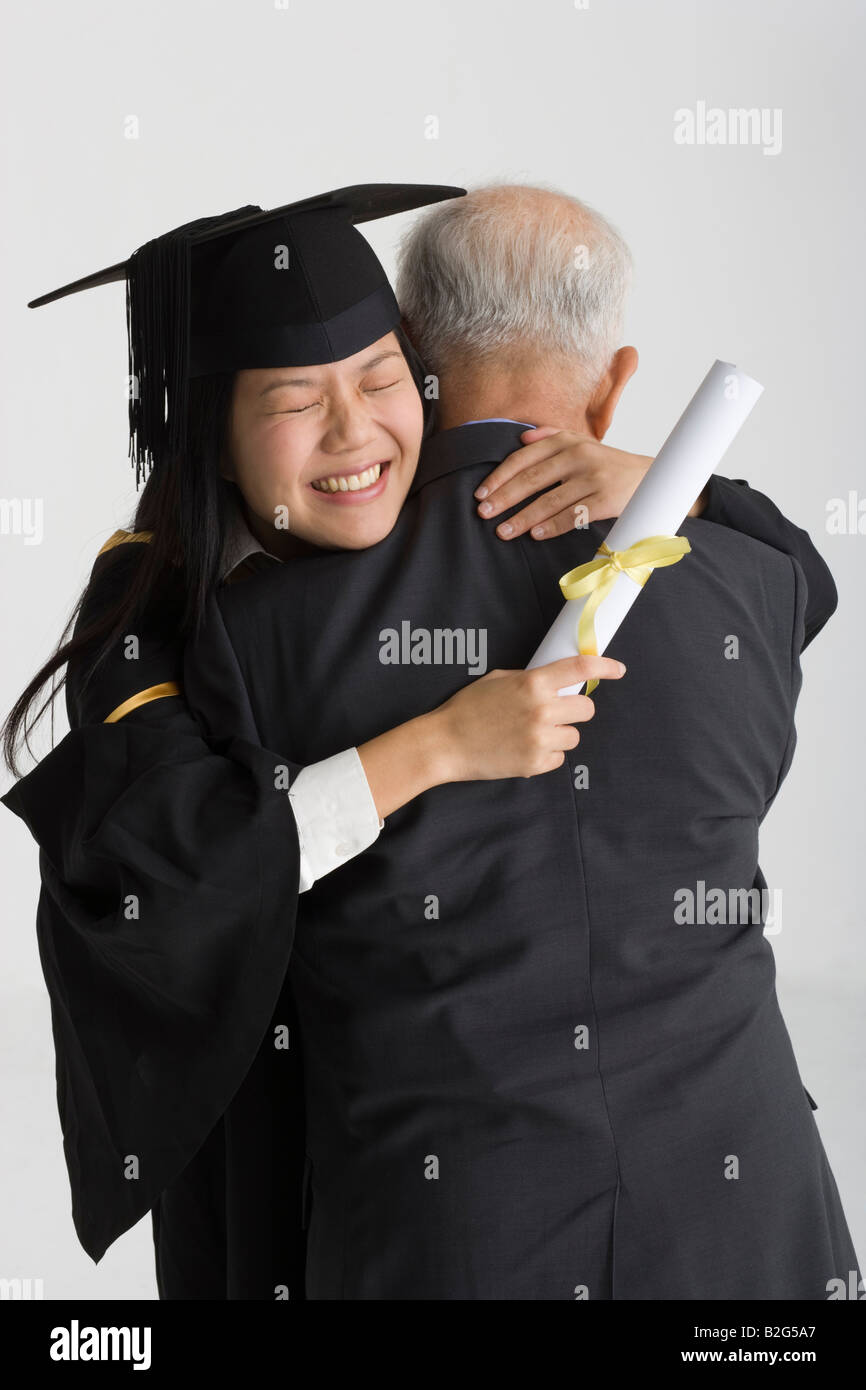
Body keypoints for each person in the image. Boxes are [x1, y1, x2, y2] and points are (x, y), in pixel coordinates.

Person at [175, 182, 860, 1300]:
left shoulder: (258, 637)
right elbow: (807, 582)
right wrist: (686, 491)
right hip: (747, 1234)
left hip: (444, 1238)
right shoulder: (751, 583)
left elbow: (218, 919)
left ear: (407, 361)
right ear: (618, 381)